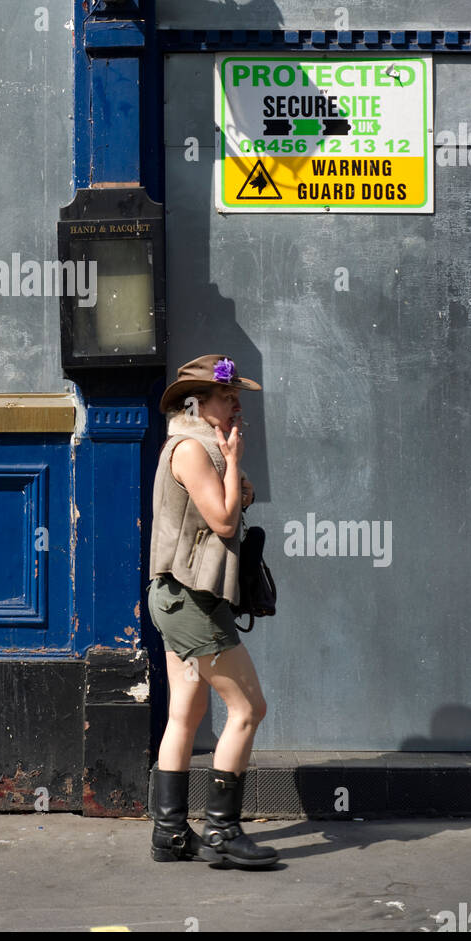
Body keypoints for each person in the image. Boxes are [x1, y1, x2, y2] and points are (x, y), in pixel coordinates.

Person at [146, 354, 279, 869]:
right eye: (229, 396)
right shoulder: (192, 450)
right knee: (249, 708)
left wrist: (234, 474)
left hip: (178, 597)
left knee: (186, 712)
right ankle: (222, 829)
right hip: (191, 602)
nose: (238, 404)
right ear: (198, 404)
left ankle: (170, 834)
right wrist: (236, 461)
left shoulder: (201, 448)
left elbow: (230, 505)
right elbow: (224, 522)